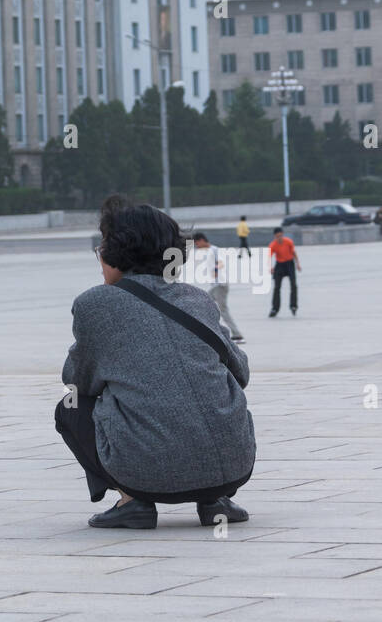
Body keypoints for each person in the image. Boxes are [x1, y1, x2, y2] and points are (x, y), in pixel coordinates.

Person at [54, 195, 255, 530]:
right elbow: (241, 371)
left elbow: (79, 381)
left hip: (146, 473)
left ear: (115, 252)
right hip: (233, 466)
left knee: (71, 407)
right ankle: (214, 500)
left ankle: (133, 502)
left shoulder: (94, 303)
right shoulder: (196, 298)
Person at [192, 231, 244, 342]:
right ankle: (210, 331)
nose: (197, 246)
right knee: (203, 303)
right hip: (216, 285)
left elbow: (221, 262)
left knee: (223, 310)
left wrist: (216, 269)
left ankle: (237, 334)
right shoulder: (210, 251)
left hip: (220, 285)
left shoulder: (214, 250)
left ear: (201, 240)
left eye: (197, 243)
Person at [268, 227, 302, 317]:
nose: (279, 238)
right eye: (277, 236)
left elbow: (294, 253)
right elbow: (268, 257)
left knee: (293, 285)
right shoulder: (273, 245)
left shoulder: (288, 242)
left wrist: (297, 264)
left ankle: (293, 306)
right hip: (279, 265)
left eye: (280, 236)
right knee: (277, 287)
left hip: (289, 264)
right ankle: (275, 308)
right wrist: (270, 267)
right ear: (275, 236)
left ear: (282, 234)